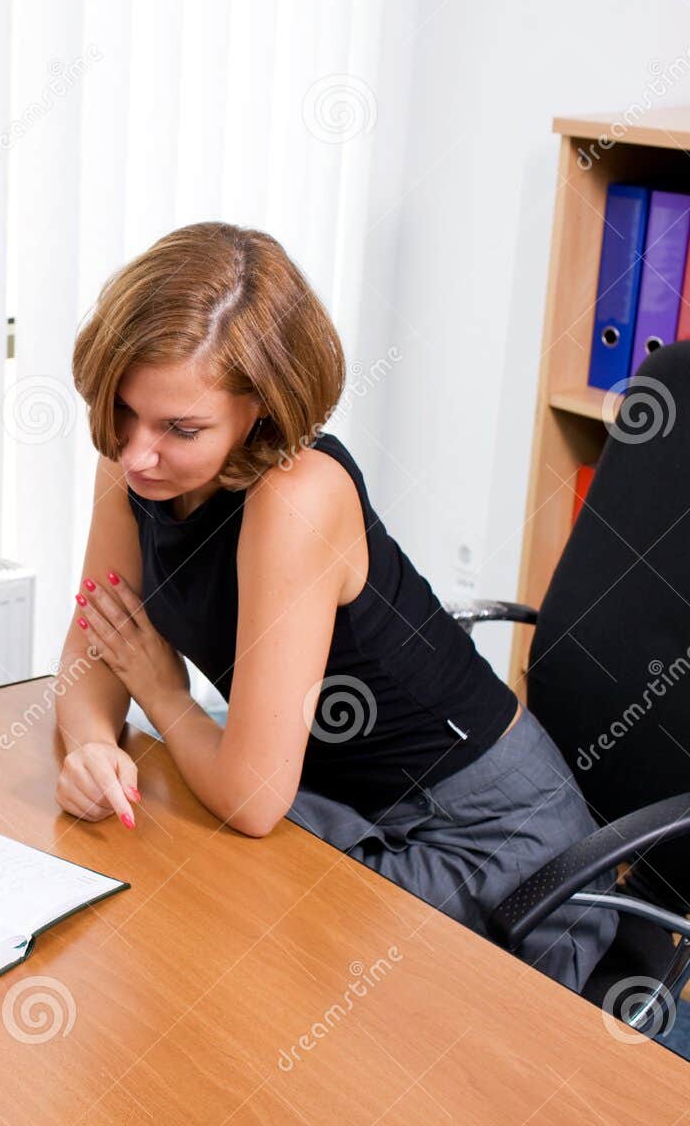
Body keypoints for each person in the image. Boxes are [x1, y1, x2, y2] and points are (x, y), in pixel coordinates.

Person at [52, 222, 616, 991]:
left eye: (180, 428)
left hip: (490, 840)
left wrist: (160, 690)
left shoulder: (297, 498)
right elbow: (94, 650)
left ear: (261, 408)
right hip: (328, 796)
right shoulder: (131, 467)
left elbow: (252, 800)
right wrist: (91, 748)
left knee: (238, 970)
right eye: (124, 410)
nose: (135, 451)